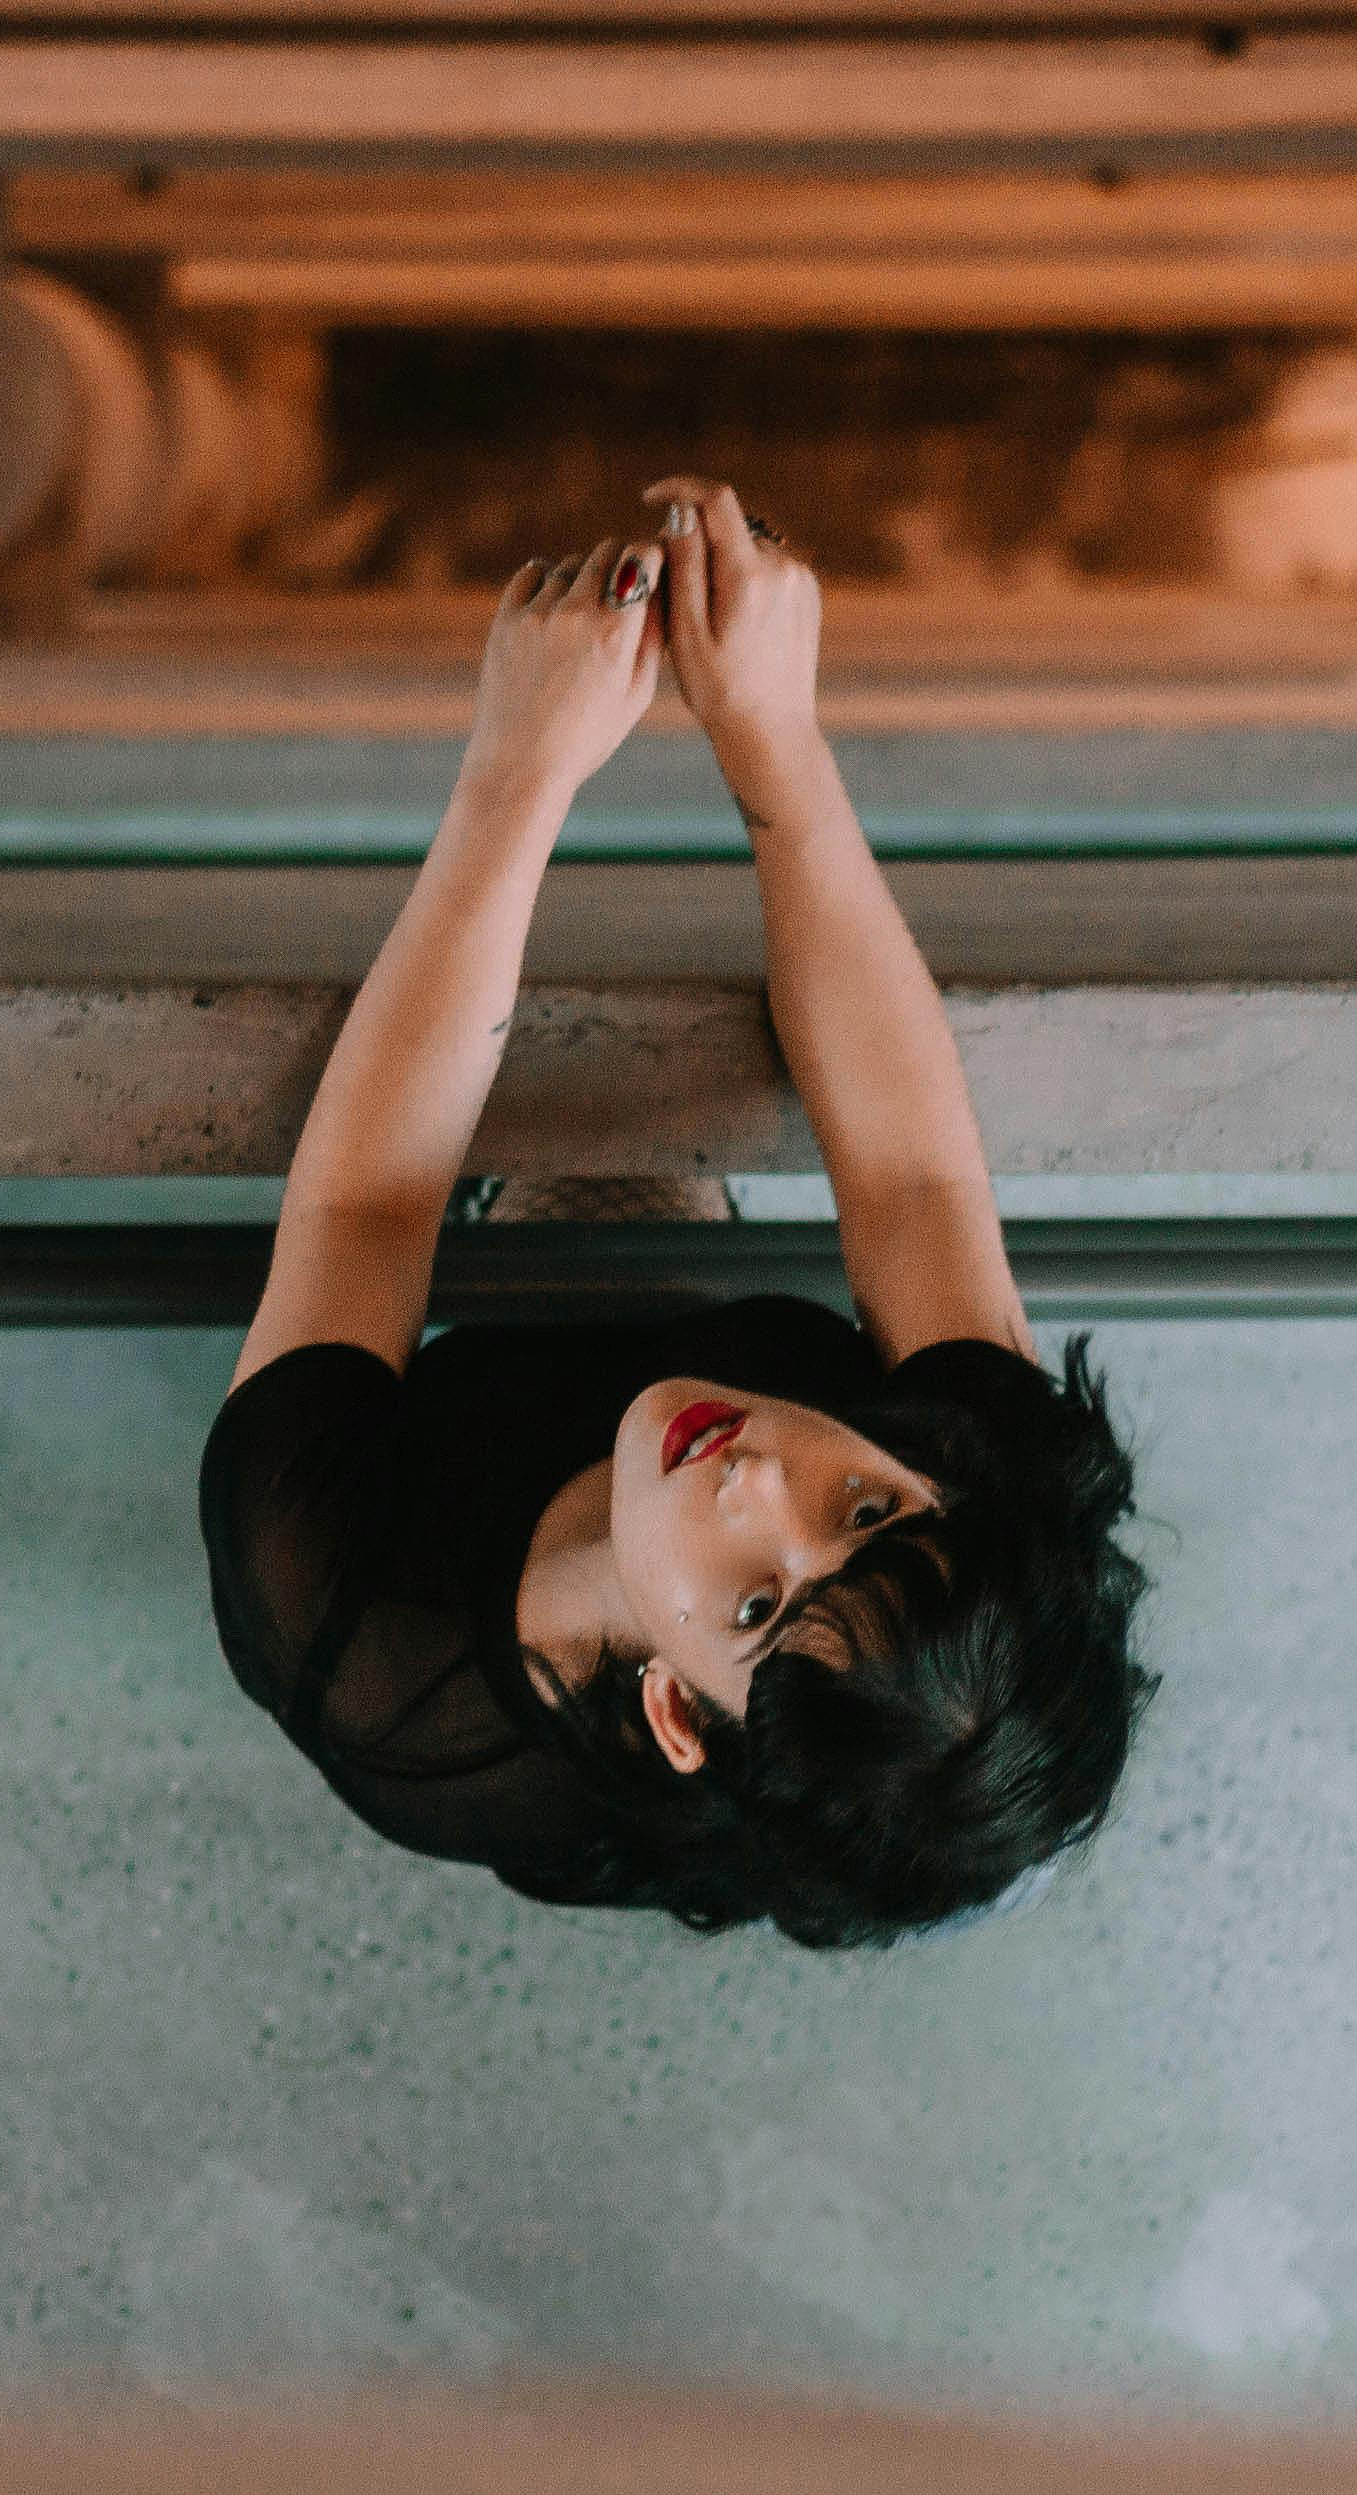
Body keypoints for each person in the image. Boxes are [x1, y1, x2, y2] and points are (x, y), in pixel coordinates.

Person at [202, 477, 1155, 1946]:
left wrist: (517, 770)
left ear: (669, 1702)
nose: (758, 1479)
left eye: (758, 1601)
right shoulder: (979, 1500)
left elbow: (367, 1208)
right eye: (861, 1502)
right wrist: (772, 732)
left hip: (468, 1479)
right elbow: (910, 1177)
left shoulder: (355, 1619)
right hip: (830, 1603)